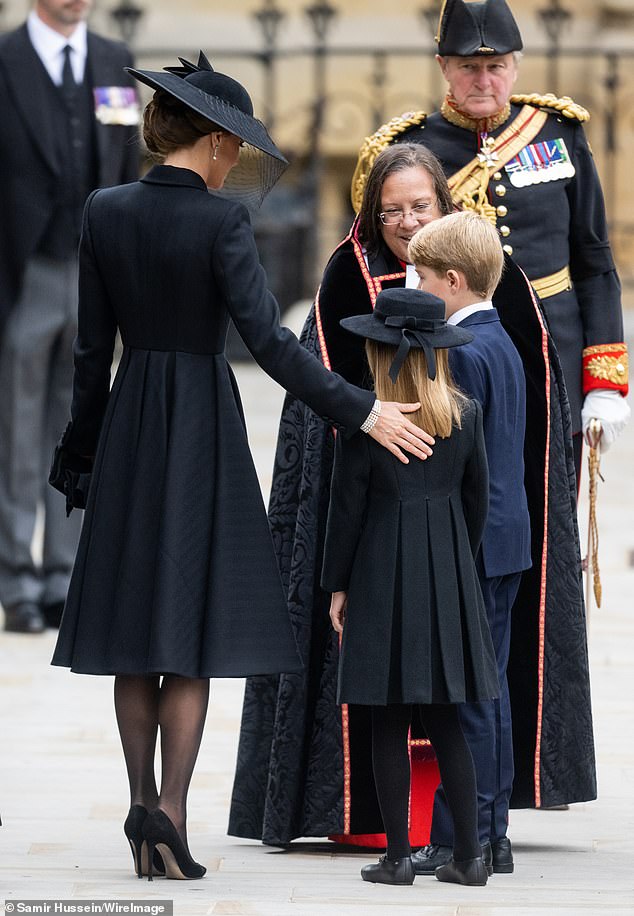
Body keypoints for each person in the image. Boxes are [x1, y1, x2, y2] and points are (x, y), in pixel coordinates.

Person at [48, 52, 435, 881]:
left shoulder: (105, 210)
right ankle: (172, 814)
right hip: (200, 429)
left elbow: (88, 355)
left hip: (129, 424)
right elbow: (269, 345)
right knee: (186, 629)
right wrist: (361, 408)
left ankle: (140, 795)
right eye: (235, 145)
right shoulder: (222, 222)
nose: (236, 160)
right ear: (217, 141)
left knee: (131, 636)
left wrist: (81, 454)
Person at [229, 142, 593, 847]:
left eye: (418, 207)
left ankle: (468, 834)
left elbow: (497, 427)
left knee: (466, 692)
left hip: (450, 530)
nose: (403, 221)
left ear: (444, 212)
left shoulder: (483, 294)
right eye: (391, 209)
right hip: (383, 509)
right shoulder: (346, 272)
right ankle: (432, 830)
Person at [351, 0, 629, 480]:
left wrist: (605, 382)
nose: (483, 80)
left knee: (550, 505)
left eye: (495, 66)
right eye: (469, 67)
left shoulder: (558, 133)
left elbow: (595, 262)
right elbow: (380, 261)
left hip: (551, 351)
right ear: (444, 67)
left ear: (515, 66)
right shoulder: (411, 150)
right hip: (451, 356)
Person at [323, 287, 495, 888]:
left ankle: (399, 857)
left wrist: (337, 586)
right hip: (448, 574)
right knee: (447, 718)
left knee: (388, 718)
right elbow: (478, 501)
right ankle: (470, 856)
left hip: (379, 574)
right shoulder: (466, 414)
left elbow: (345, 512)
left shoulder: (370, 421)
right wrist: (455, 565)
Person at [0, 0, 140, 634]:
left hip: (90, 271)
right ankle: (15, 580)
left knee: (78, 422)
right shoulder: (5, 60)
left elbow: (123, 165)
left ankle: (62, 576)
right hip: (21, 270)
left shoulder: (114, 61)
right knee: (16, 426)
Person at [407, 210, 530, 875]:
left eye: (419, 277)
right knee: (490, 696)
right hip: (509, 541)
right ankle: (492, 835)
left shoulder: (459, 352)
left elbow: (454, 463)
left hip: (475, 545)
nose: (413, 285)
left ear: (451, 281)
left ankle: (467, 840)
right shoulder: (501, 340)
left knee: (465, 701)